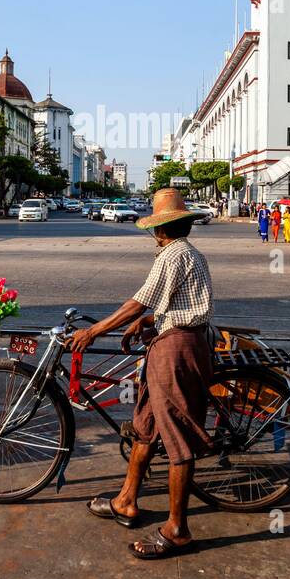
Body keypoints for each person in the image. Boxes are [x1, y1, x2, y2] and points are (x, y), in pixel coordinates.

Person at [70, 188, 213, 559]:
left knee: (177, 439)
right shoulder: (186, 253)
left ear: (161, 229)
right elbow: (174, 302)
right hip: (169, 341)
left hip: (177, 351)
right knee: (145, 426)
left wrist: (92, 331)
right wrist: (149, 320)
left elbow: (137, 302)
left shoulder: (173, 255)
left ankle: (178, 530)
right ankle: (127, 500)